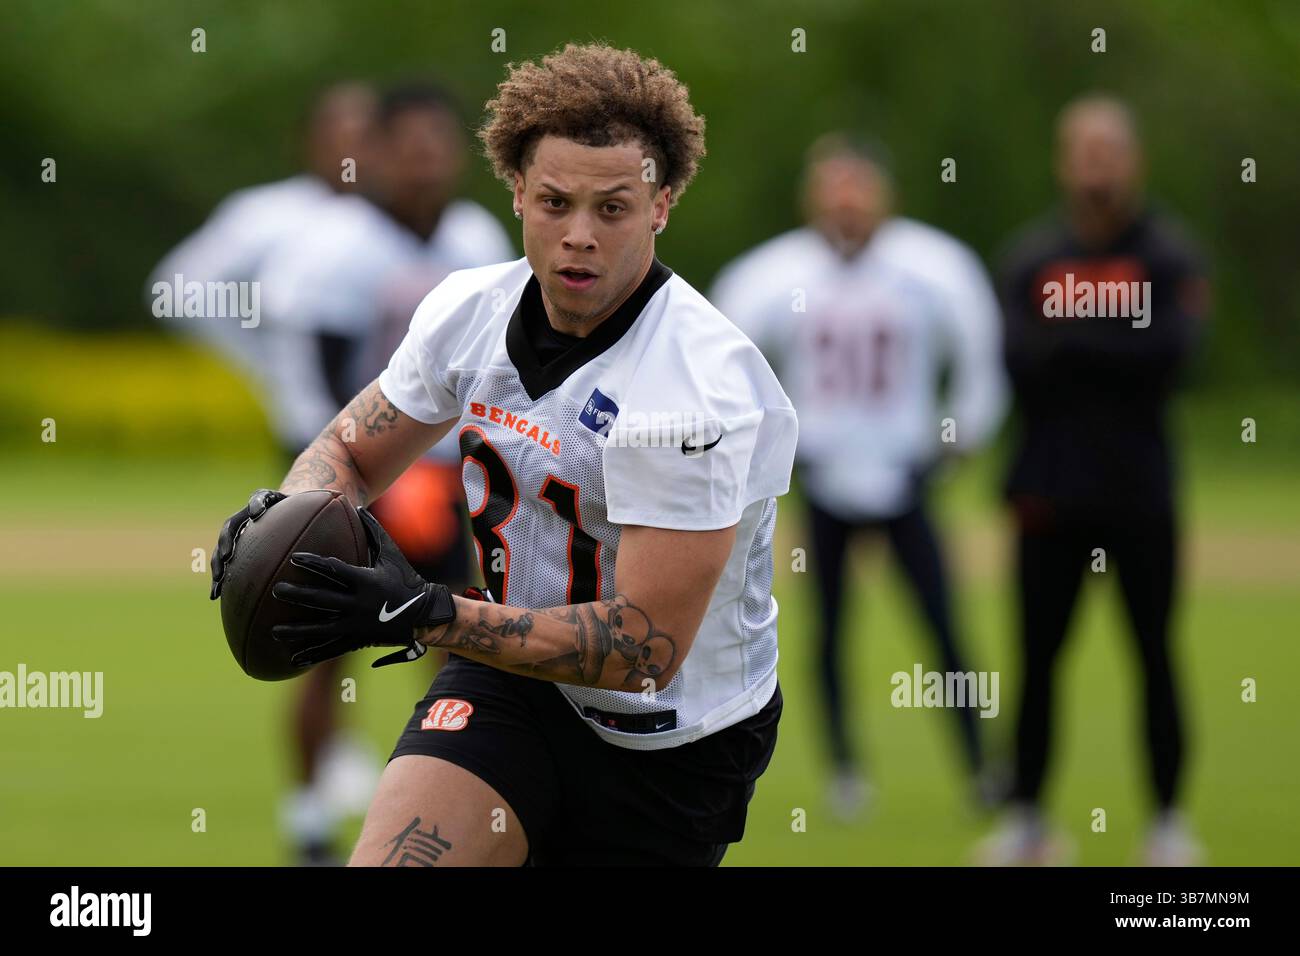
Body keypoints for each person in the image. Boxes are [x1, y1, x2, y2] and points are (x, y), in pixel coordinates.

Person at [209, 42, 798, 867]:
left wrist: (429, 612)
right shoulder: (469, 308)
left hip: (670, 742)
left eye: (613, 208)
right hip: (511, 686)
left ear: (662, 205)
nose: (579, 237)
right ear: (517, 190)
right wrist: (293, 511)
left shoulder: (694, 384)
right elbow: (347, 449)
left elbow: (643, 649)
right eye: (555, 201)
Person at [254, 81, 515, 864]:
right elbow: (326, 383)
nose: (427, 160)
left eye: (439, 143)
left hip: (450, 479)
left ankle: (456, 808)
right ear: (376, 154)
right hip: (352, 473)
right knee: (326, 648)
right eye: (410, 145)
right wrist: (364, 483)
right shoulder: (336, 245)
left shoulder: (473, 236)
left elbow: (498, 370)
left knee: (455, 639)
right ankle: (308, 816)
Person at [711, 134, 1007, 819]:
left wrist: (957, 440)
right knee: (826, 629)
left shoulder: (933, 267)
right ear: (811, 199)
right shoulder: (773, 274)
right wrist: (768, 453)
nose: (845, 206)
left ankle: (978, 765)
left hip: (905, 473)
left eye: (857, 189)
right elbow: (722, 365)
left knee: (942, 625)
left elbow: (981, 356)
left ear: (884, 194)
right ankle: (845, 768)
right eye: (831, 190)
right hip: (821, 474)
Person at [976, 95, 1208, 866]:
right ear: (1063, 160)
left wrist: (1071, 346)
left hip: (1141, 496)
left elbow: (1172, 359)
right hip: (1048, 494)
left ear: (1133, 159)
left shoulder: (1169, 256)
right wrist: (1109, 344)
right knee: (1038, 662)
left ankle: (1168, 823)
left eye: (1109, 149)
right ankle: (1029, 822)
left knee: (1154, 654)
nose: (1096, 164)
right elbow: (1017, 363)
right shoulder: (1031, 258)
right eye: (1083, 149)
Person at [147, 83, 377, 457]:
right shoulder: (268, 215)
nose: (352, 152)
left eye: (365, 137)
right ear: (310, 141)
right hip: (311, 422)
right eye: (339, 137)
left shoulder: (410, 221)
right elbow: (178, 289)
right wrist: (260, 355)